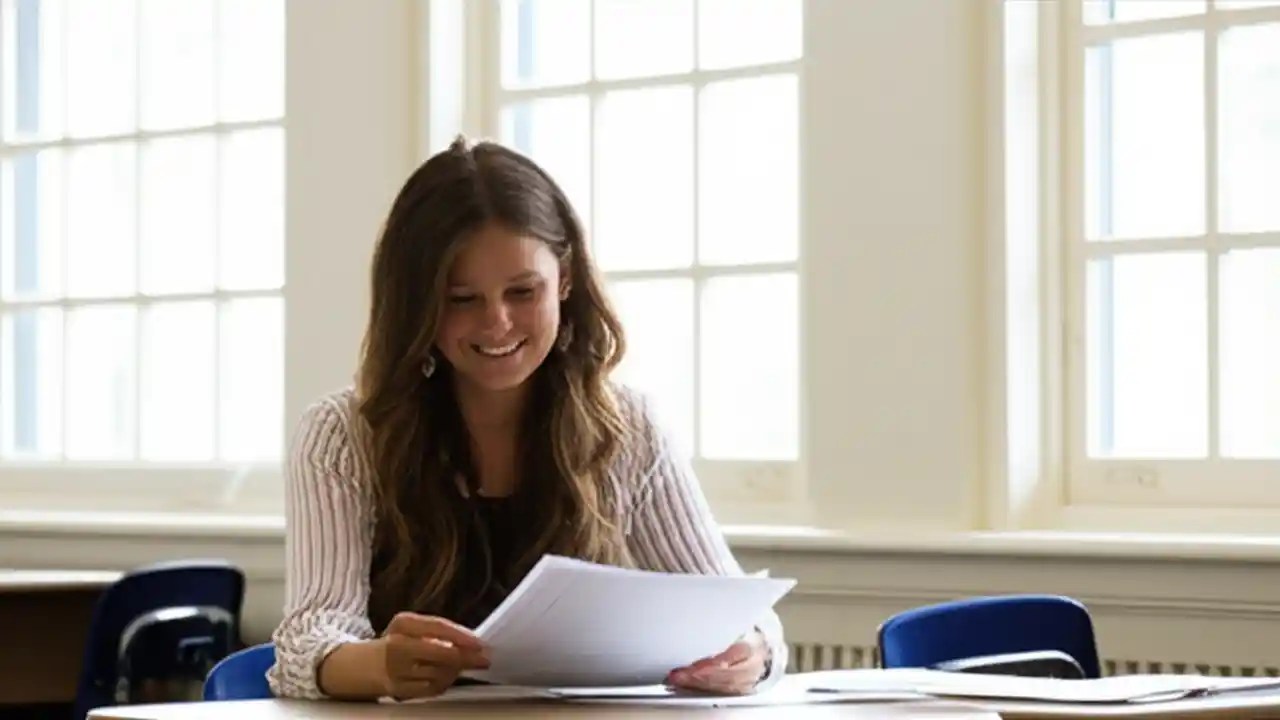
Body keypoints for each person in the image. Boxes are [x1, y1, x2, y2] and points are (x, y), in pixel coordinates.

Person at [266, 137, 788, 701]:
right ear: (416, 303)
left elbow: (742, 613)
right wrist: (377, 665)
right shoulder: (344, 434)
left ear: (564, 280)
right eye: (462, 298)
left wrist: (749, 653)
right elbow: (304, 644)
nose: (498, 324)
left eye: (522, 292)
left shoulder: (628, 426)